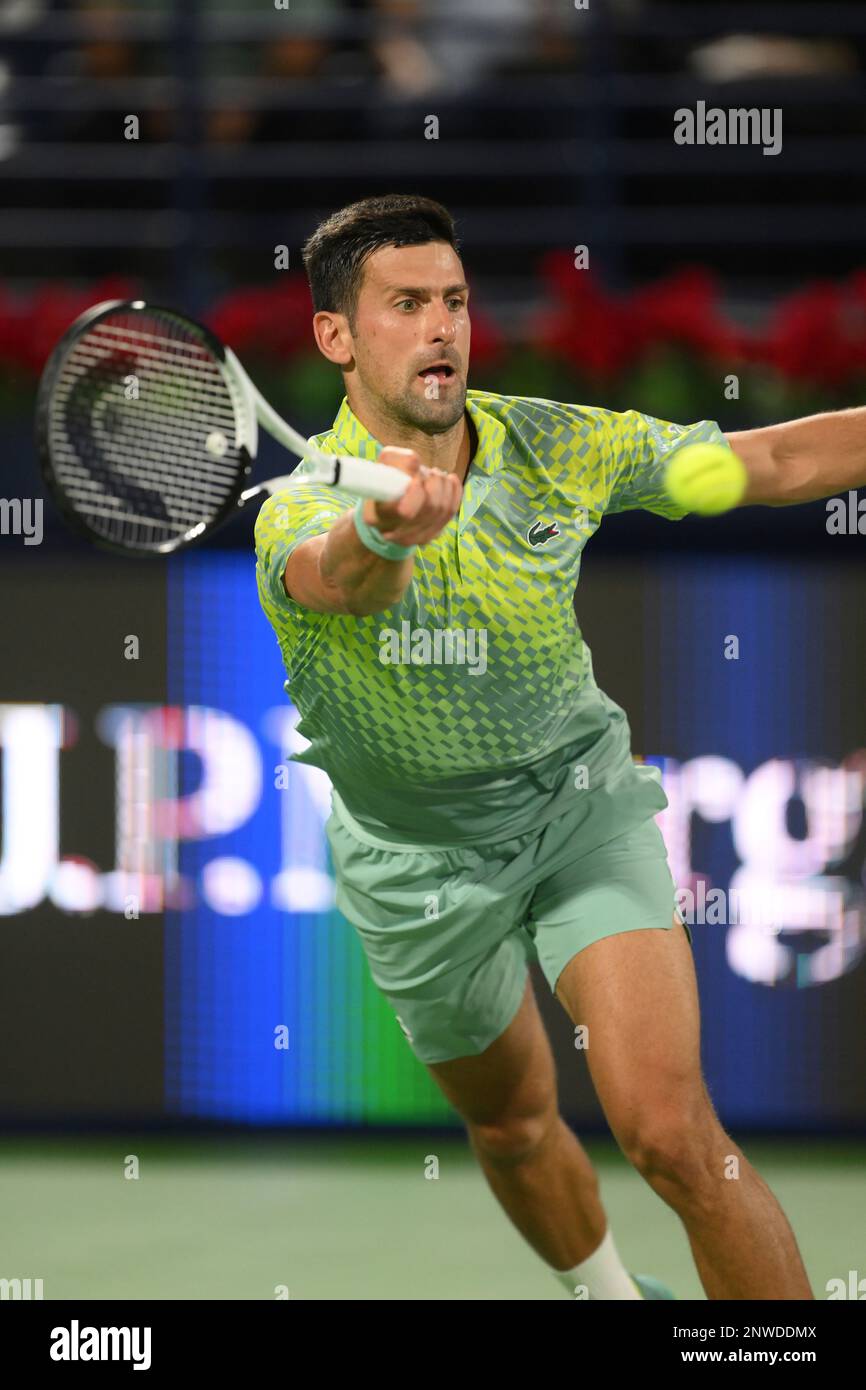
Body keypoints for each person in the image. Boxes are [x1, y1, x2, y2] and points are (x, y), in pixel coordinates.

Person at [252, 192, 856, 1299]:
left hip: (575, 815)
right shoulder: (295, 509)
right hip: (415, 864)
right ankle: (608, 1295)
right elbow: (336, 578)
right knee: (514, 1124)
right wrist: (385, 528)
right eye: (404, 305)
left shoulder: (555, 445)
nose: (440, 326)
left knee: (673, 1135)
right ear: (336, 337)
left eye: (453, 300)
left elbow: (761, 464)